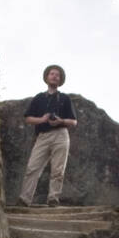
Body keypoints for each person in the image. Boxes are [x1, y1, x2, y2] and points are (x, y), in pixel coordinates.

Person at [18, 64, 77, 207]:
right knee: (32, 167)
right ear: (47, 77)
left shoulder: (65, 98)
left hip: (61, 134)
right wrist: (42, 120)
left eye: (57, 75)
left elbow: (74, 122)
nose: (55, 76)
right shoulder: (38, 98)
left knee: (58, 169)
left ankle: (53, 198)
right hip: (43, 136)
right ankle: (24, 199)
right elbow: (27, 118)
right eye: (52, 74)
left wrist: (61, 121)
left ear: (60, 79)